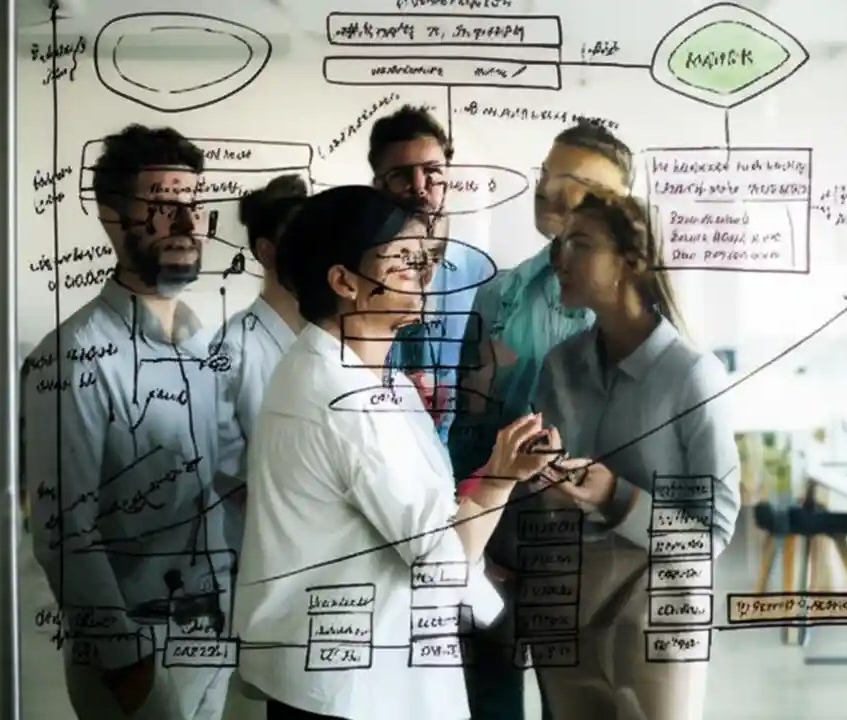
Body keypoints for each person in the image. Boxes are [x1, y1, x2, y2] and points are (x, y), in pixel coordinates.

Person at [229, 185, 565, 720]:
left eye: (423, 256)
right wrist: (499, 480)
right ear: (344, 282)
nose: (424, 271)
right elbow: (437, 561)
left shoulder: (360, 378)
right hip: (351, 693)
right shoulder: (344, 400)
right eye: (402, 260)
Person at [22, 124, 240, 720]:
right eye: (162, 206)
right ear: (112, 218)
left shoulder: (203, 343)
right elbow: (63, 532)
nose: (186, 224)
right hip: (140, 655)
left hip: (215, 636)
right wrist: (128, 667)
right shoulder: (71, 356)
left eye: (192, 206)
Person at [447, 119, 634, 720]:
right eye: (549, 173)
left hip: (590, 569)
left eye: (576, 183)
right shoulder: (496, 298)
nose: (550, 189)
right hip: (498, 559)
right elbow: (469, 434)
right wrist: (479, 549)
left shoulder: (639, 313)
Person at [534, 188, 741, 720]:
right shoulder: (558, 366)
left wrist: (614, 496)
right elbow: (544, 499)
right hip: (564, 604)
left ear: (631, 262)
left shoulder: (694, 376)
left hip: (658, 614)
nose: (561, 259)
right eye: (561, 244)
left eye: (579, 244)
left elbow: (712, 533)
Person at [208, 173, 308, 548]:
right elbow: (226, 474)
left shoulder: (333, 339)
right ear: (267, 252)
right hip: (263, 548)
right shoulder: (233, 349)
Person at [367, 105, 459, 438]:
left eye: (432, 171)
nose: (420, 187)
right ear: (378, 185)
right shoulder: (357, 276)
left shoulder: (485, 279)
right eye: (401, 175)